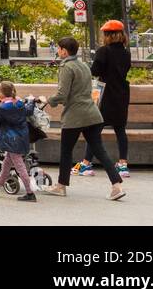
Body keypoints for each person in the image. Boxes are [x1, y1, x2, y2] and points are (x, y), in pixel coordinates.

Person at [40, 37, 125, 200]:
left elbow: (62, 94)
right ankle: (117, 186)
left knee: (66, 152)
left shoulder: (66, 66)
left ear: (64, 51)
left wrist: (47, 101)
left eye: (59, 49)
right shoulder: (84, 65)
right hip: (92, 114)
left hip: (75, 116)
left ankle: (60, 187)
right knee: (100, 151)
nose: (58, 51)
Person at [75, 20, 131, 178]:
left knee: (94, 130)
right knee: (120, 130)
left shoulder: (103, 51)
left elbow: (95, 71)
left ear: (108, 35)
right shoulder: (126, 53)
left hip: (105, 95)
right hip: (121, 94)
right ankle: (123, 165)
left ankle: (85, 164)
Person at [0, 81, 38, 201]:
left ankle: (30, 193)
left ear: (1, 93)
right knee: (6, 163)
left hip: (10, 139)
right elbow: (29, 111)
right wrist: (31, 101)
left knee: (20, 167)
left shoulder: (3, 108)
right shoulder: (19, 103)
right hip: (21, 136)